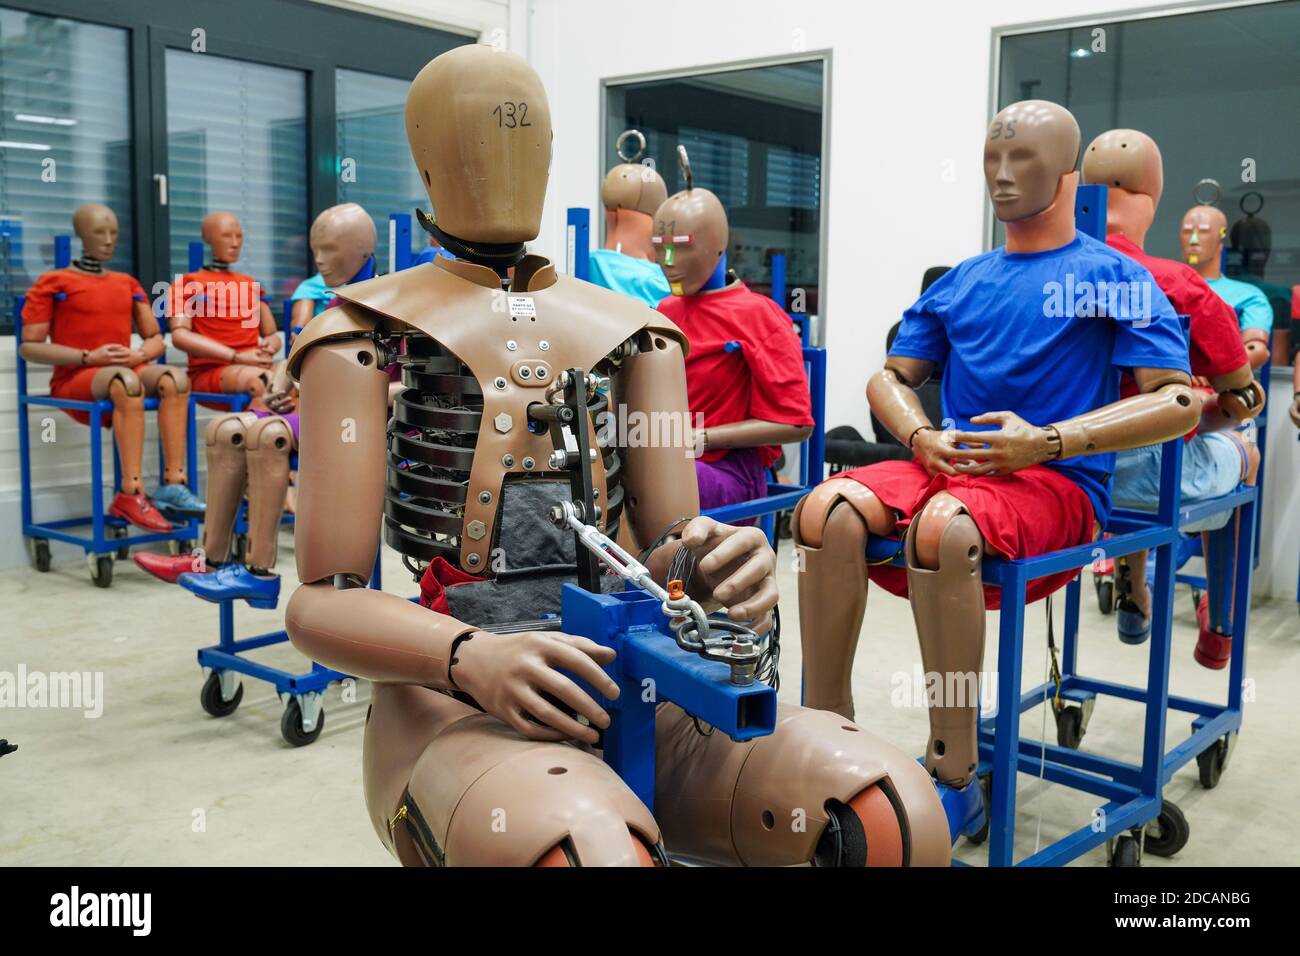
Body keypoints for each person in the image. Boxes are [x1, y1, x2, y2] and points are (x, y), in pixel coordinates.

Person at [793, 101, 1199, 838]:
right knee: (825, 508)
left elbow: (1177, 401)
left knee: (946, 529)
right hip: (954, 468)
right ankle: (825, 739)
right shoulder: (965, 279)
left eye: (1026, 163)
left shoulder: (1109, 277)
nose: (1004, 177)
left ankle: (954, 772)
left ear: (1069, 176)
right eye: (993, 161)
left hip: (1056, 483)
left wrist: (1048, 441)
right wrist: (918, 435)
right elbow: (891, 375)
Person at [1081, 129, 1265, 660]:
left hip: (1057, 466)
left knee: (1162, 421)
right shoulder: (1176, 284)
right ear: (1155, 197)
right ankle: (1220, 633)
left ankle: (1134, 587)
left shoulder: (1041, 274)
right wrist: (1221, 405)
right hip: (1142, 478)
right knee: (1243, 449)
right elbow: (1240, 388)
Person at [20, 203, 203, 532]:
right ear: (81, 235)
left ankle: (174, 484)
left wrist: (138, 354)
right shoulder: (54, 281)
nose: (107, 240)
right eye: (98, 233)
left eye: (113, 233)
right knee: (126, 382)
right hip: (76, 377)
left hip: (123, 368)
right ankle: (130, 493)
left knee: (175, 380)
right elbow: (29, 346)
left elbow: (155, 337)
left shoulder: (126, 282)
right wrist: (88, 357)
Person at [652, 165, 813, 511]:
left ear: (716, 246)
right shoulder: (664, 309)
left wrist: (703, 438)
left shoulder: (759, 316)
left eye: (679, 247)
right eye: (659, 248)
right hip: (663, 455)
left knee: (657, 482)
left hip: (725, 470)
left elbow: (796, 423)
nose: (668, 262)